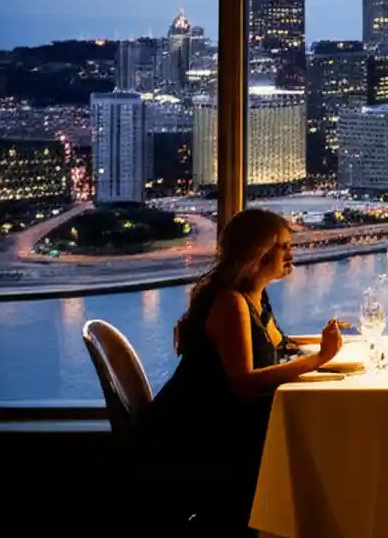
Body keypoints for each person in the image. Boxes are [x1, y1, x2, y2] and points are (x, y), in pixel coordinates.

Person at [136, 208, 344, 535]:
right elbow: (244, 382)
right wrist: (320, 359)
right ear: (259, 252)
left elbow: (279, 343)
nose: (292, 254)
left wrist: (325, 344)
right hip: (198, 436)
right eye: (284, 246)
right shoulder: (231, 302)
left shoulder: (255, 295)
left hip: (218, 422)